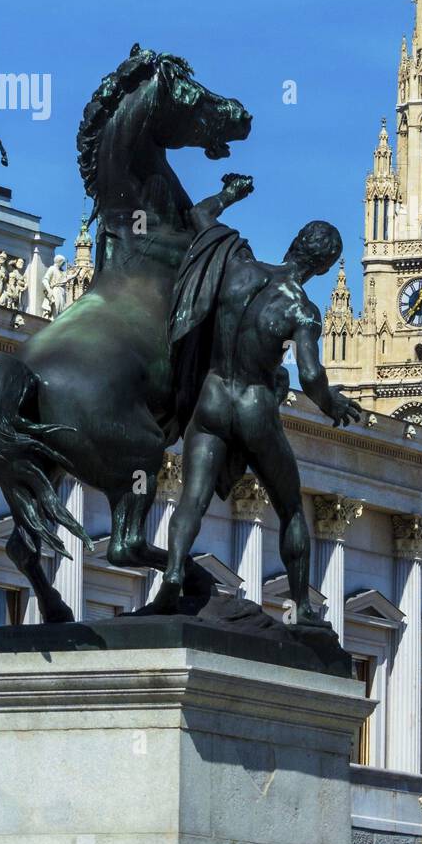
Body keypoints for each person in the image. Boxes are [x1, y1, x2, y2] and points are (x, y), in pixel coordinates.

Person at [146, 173, 359, 619]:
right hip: (254, 407)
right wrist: (331, 404)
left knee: (193, 497)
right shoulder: (302, 308)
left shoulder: (237, 265)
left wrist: (230, 194)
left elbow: (199, 216)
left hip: (212, 397)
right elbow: (311, 373)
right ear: (323, 267)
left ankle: (170, 576)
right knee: (290, 507)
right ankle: (301, 608)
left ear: (295, 242)